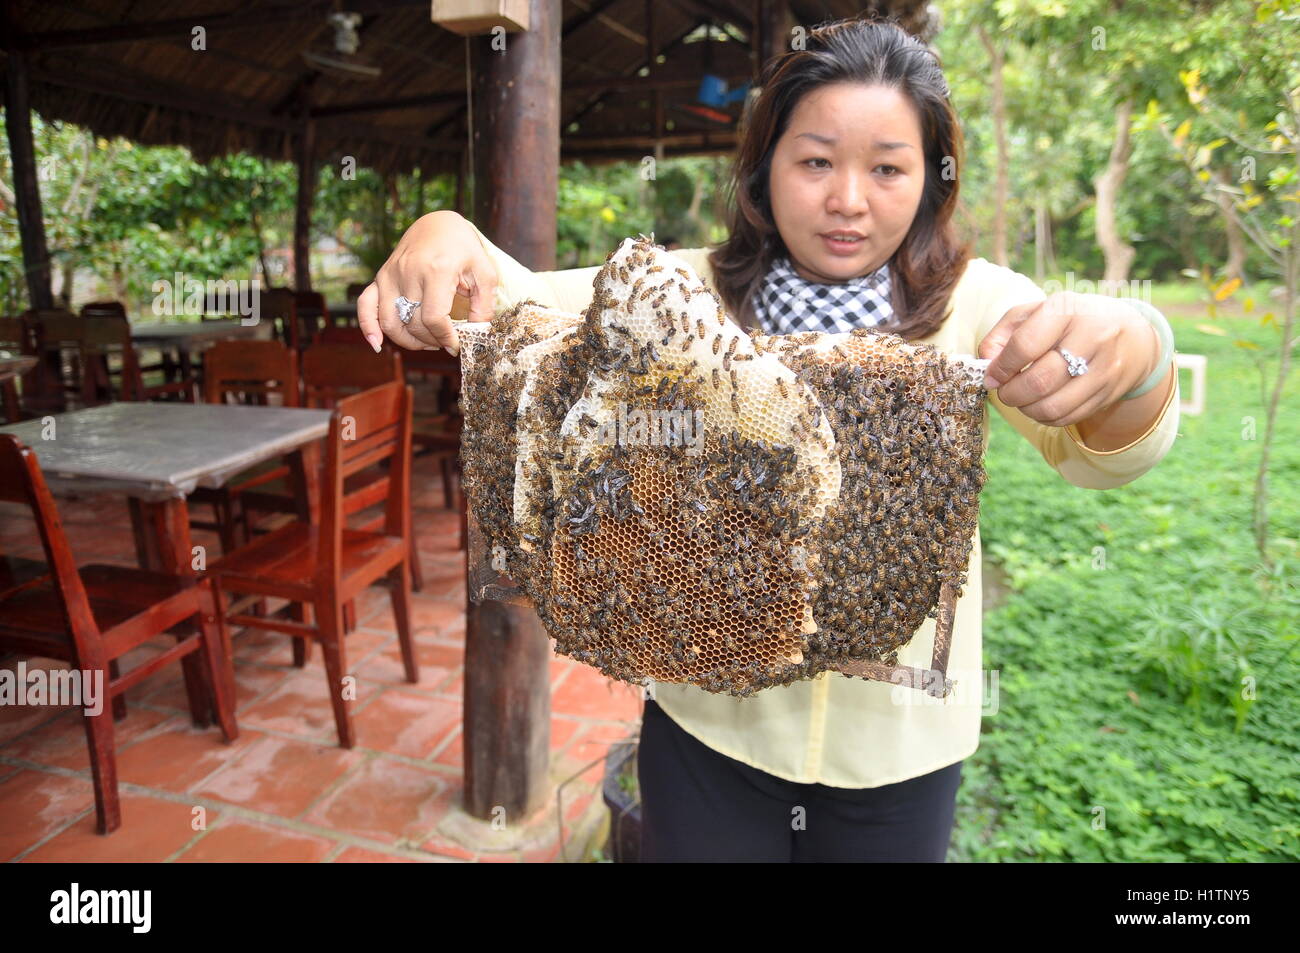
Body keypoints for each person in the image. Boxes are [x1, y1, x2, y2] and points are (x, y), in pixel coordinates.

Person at [358, 15, 1180, 862]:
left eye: (888, 168)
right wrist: (442, 231)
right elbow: (508, 296)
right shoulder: (680, 293)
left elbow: (1100, 449)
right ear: (764, 168)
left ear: (932, 181)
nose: (848, 200)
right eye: (816, 160)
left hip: (898, 756)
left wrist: (1139, 351)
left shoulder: (978, 307)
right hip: (708, 727)